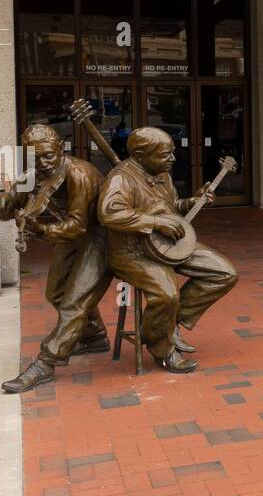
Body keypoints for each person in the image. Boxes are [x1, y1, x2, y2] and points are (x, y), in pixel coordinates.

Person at [97, 127, 237, 373]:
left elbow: (171, 208)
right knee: (167, 294)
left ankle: (167, 324)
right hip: (132, 252)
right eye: (165, 154)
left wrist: (192, 202)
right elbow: (109, 214)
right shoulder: (120, 179)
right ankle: (163, 349)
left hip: (168, 245)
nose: (172, 159)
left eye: (172, 152)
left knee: (224, 272)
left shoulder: (162, 173)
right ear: (140, 156)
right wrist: (155, 222)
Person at [0, 123, 112, 393]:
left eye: (48, 155)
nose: (43, 163)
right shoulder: (32, 175)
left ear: (60, 148)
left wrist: (40, 230)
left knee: (73, 302)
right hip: (69, 234)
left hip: (100, 235)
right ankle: (94, 335)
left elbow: (78, 225)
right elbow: (9, 205)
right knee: (56, 292)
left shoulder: (78, 174)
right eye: (35, 158)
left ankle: (46, 362)